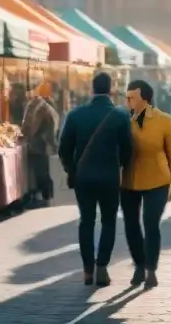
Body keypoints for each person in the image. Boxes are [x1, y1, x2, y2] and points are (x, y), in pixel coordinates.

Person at [58, 71, 133, 287]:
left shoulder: (76, 115)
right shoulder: (120, 116)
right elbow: (128, 149)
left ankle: (87, 271)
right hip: (110, 177)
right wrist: (122, 167)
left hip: (84, 177)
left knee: (86, 222)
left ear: (92, 89)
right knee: (109, 221)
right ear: (111, 89)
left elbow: (64, 148)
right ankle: (102, 266)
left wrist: (71, 169)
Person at [121, 79, 171, 290]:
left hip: (158, 180)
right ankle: (138, 264)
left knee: (151, 223)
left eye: (132, 97)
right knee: (131, 225)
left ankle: (151, 269)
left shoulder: (164, 120)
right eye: (126, 97)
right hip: (128, 180)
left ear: (144, 99)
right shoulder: (122, 120)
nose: (127, 101)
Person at [22, 83, 59, 207]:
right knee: (42, 171)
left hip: (36, 144)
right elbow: (51, 128)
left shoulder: (36, 105)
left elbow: (28, 125)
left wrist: (27, 135)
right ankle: (45, 196)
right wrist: (54, 144)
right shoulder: (47, 105)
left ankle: (42, 195)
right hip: (41, 144)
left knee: (39, 171)